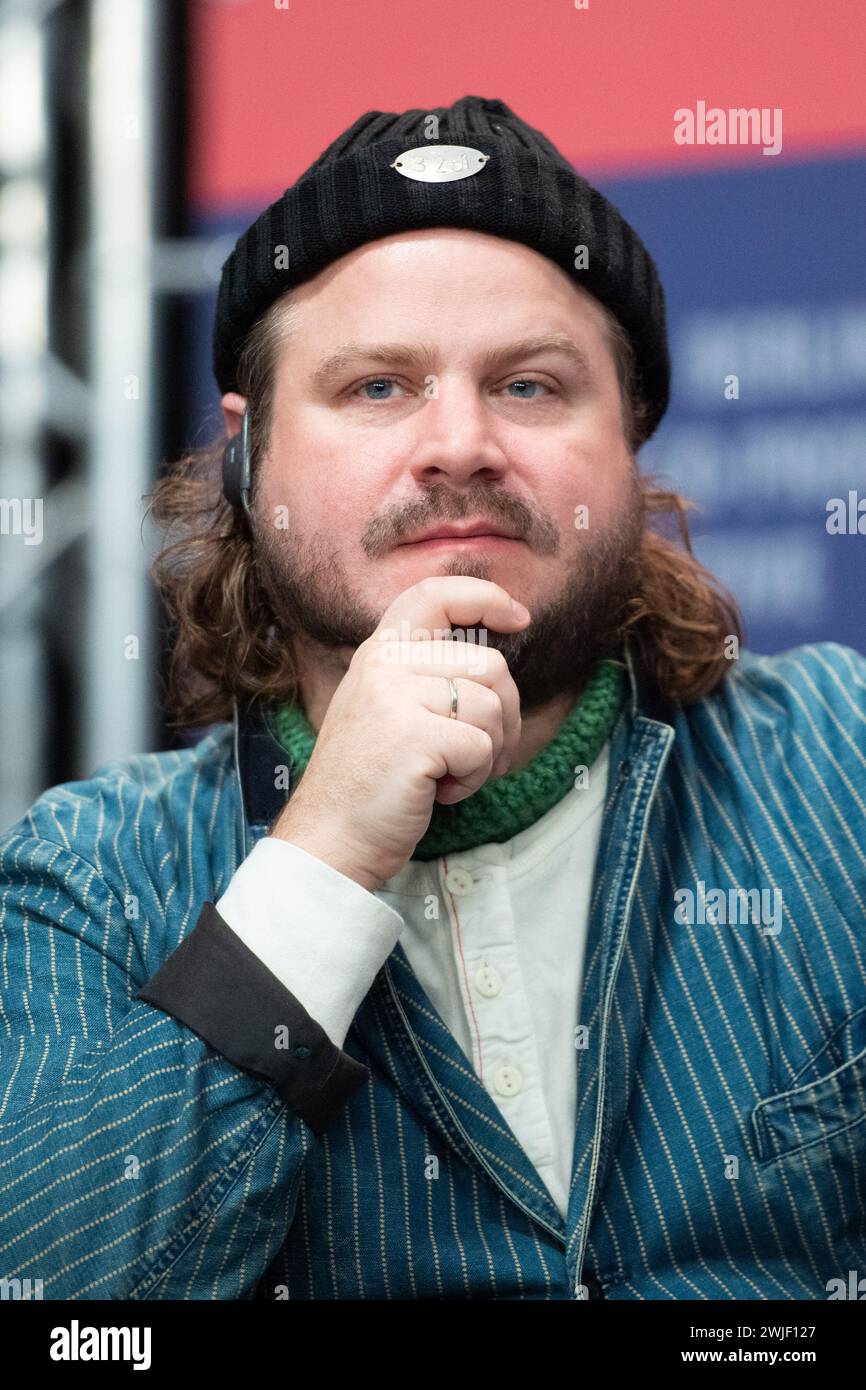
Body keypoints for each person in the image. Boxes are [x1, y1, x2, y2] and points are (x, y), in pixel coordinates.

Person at [1, 96, 864, 1302]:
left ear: (629, 446)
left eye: (527, 386)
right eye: (375, 389)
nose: (457, 443)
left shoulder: (842, 763)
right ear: (249, 460)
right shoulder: (91, 877)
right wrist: (323, 858)